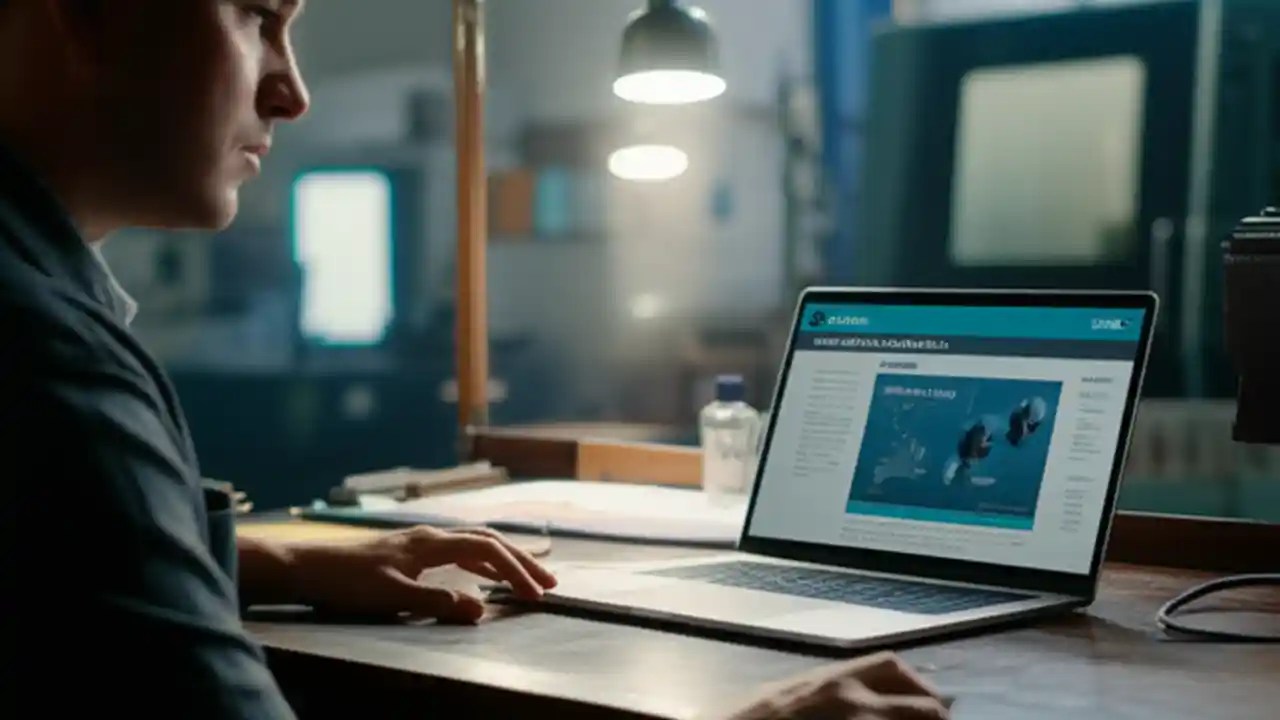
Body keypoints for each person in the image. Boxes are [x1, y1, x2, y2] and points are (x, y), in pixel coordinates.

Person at [0, 2, 950, 719]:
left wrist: (280, 556)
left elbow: (56, 557)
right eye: (256, 17)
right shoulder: (52, 364)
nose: (291, 90)